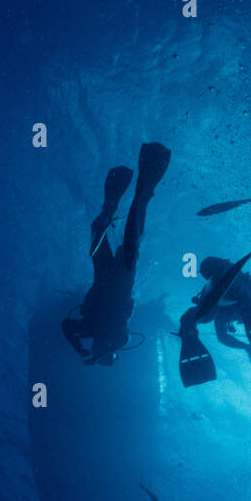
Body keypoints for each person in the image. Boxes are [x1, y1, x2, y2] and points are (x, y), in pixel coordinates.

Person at [62, 142, 170, 365]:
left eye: (101, 350)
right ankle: (144, 193)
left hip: (103, 275)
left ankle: (110, 206)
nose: (102, 348)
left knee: (97, 231)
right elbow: (120, 340)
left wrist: (78, 346)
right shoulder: (119, 338)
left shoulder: (88, 330)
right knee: (132, 233)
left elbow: (65, 325)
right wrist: (95, 356)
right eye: (106, 352)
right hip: (123, 277)